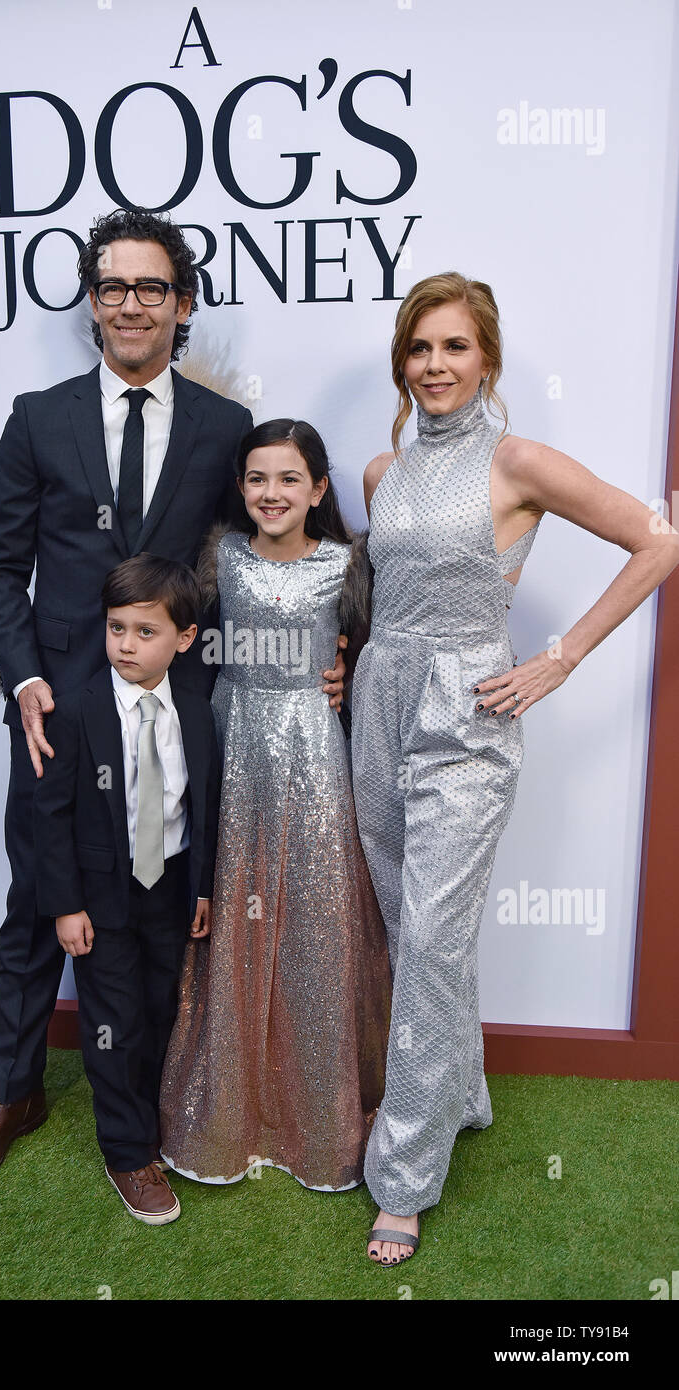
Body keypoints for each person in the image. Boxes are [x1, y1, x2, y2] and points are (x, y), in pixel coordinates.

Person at [0, 206, 344, 1190]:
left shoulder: (227, 430)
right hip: (58, 708)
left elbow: (260, 557)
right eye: (113, 284)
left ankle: (171, 1092)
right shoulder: (39, 418)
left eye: (150, 286)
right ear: (91, 299)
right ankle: (11, 1090)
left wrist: (321, 654)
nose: (130, 303)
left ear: (182, 302)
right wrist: (27, 677)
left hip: (179, 709)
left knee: (170, 907)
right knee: (42, 902)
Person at [351, 271, 679, 1266]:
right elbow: (386, 594)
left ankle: (402, 1178)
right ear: (402, 362)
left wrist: (562, 655)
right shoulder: (380, 471)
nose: (437, 365)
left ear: (485, 357)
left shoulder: (519, 459)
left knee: (436, 934)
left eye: (455, 347)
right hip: (380, 705)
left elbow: (655, 540)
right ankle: (466, 1091)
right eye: (421, 349)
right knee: (415, 929)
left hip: (470, 720)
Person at [159, 420, 392, 1191]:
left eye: (289, 479)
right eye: (257, 479)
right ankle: (233, 1108)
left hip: (317, 758)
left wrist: (350, 678)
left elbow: (377, 652)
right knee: (234, 910)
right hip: (234, 750)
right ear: (241, 487)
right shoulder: (220, 557)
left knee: (314, 921)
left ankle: (319, 1119)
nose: (271, 493)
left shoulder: (347, 566)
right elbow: (193, 647)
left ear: (319, 489)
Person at [31, 555, 219, 1224]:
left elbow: (202, 811)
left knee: (159, 1012)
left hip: (167, 889)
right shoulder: (77, 711)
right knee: (113, 1022)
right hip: (99, 900)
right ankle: (126, 1152)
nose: (127, 646)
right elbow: (47, 817)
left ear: (185, 638)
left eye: (145, 632)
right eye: (116, 629)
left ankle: (149, 1124)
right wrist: (66, 906)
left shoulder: (195, 714)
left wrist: (200, 892)